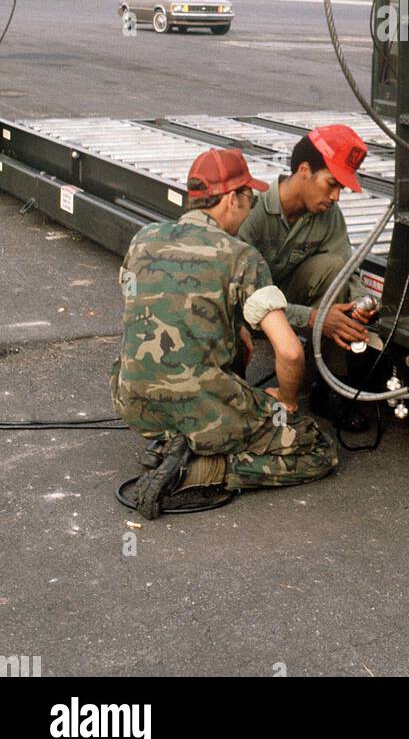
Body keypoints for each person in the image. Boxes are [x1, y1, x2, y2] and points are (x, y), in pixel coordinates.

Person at [110, 147, 337, 518]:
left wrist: (230, 329)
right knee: (317, 448)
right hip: (199, 403)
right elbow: (290, 351)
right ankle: (202, 469)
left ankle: (168, 441)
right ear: (232, 199)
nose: (249, 210)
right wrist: (287, 402)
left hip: (133, 400)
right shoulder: (240, 256)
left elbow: (151, 308)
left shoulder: (144, 238)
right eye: (248, 199)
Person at [238, 124, 378, 432]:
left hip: (285, 298)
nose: (336, 196)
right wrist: (315, 318)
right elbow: (241, 298)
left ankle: (329, 389)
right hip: (245, 304)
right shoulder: (253, 211)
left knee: (334, 269)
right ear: (304, 170)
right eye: (331, 184)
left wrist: (359, 302)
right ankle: (233, 392)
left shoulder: (328, 215)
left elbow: (344, 269)